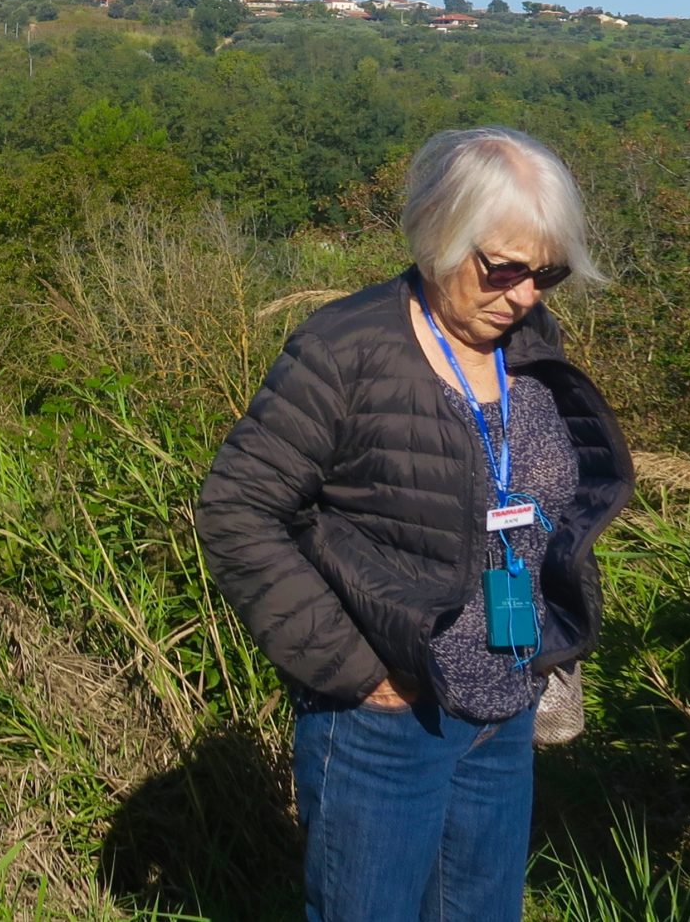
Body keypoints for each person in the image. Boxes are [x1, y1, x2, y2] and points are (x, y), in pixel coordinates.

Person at [196, 126, 634, 922]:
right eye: (504, 269)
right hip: (387, 719)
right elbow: (237, 509)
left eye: (547, 274)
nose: (525, 296)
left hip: (505, 704)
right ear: (441, 236)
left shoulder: (528, 341)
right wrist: (355, 673)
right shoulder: (345, 349)